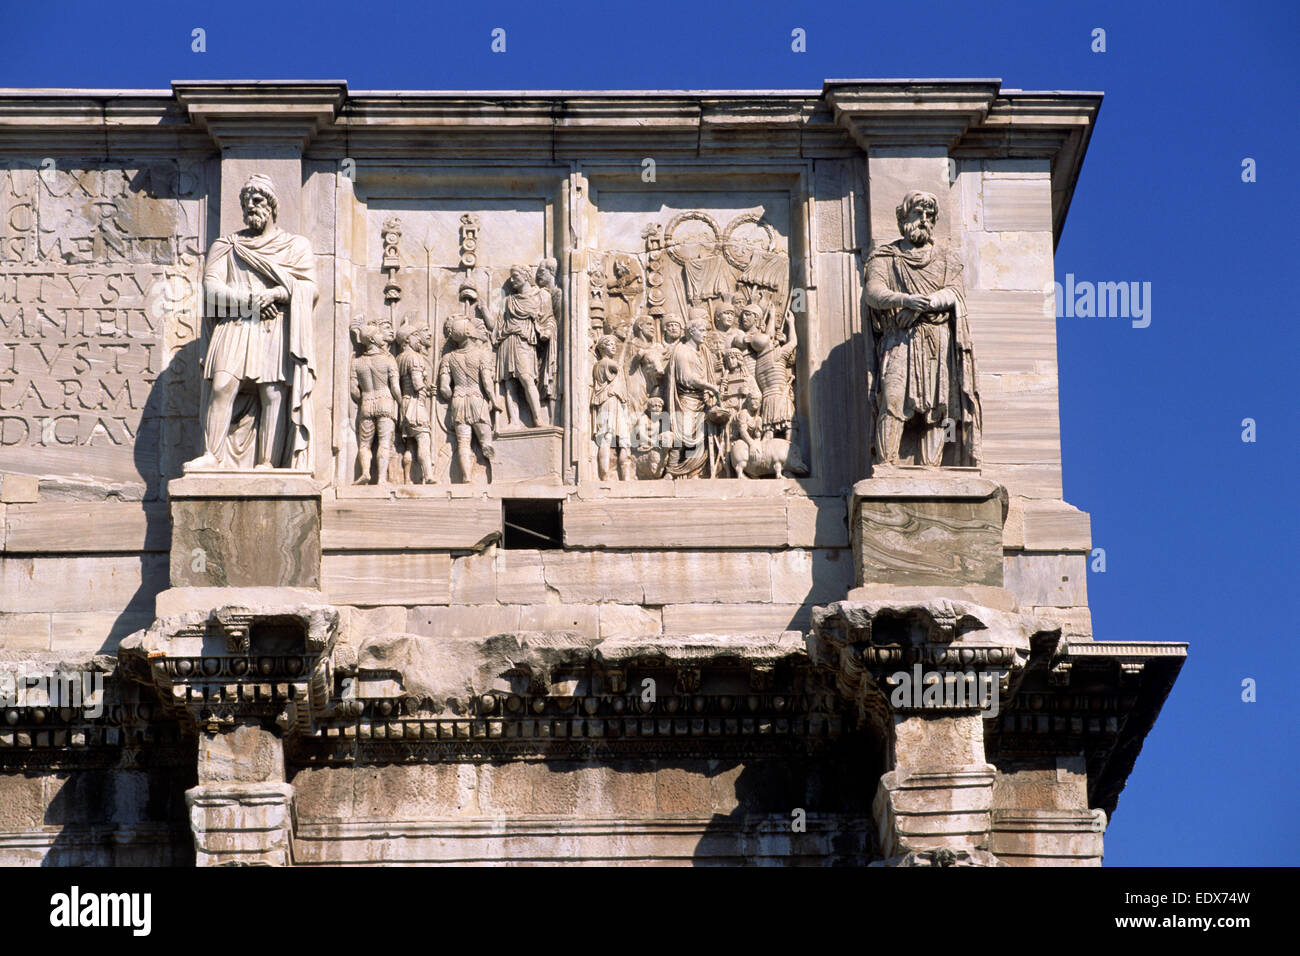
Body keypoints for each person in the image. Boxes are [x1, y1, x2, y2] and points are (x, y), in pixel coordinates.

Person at [186, 174, 318, 471]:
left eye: (257, 200)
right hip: (235, 324)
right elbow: (211, 290)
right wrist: (250, 301)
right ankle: (213, 455)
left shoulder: (295, 246)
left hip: (274, 328)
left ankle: (267, 463)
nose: (251, 207)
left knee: (272, 394)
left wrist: (277, 294)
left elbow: (309, 288)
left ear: (272, 205)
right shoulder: (227, 246)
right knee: (222, 386)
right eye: (246, 202)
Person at [864, 190, 981, 466]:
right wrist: (905, 299)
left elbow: (954, 293)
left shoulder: (945, 257)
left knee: (937, 407)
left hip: (936, 339)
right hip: (898, 340)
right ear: (903, 217)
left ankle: (932, 468)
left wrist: (919, 307)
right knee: (892, 400)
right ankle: (887, 465)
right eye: (918, 213)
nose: (925, 220)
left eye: (930, 216)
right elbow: (873, 292)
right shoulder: (886, 257)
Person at [590, 335, 634, 480]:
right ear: (602, 348)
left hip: (615, 401)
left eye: (615, 344)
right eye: (609, 344)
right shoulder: (604, 363)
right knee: (606, 437)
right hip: (608, 401)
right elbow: (618, 367)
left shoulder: (606, 363)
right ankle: (604, 475)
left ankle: (625, 476)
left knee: (624, 440)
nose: (614, 346)